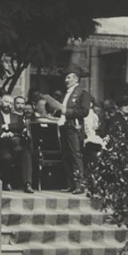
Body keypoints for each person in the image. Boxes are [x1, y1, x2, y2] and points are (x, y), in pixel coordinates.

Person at [46, 64, 91, 194]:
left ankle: (79, 184)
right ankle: (71, 184)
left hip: (74, 127)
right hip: (65, 127)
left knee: (76, 155)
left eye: (69, 77)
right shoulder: (66, 94)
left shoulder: (83, 94)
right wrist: (55, 114)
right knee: (66, 156)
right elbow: (63, 111)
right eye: (66, 77)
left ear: (76, 79)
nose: (66, 80)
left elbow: (84, 111)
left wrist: (67, 111)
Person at [0, 94, 33, 192]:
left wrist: (7, 127)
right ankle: (6, 183)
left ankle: (27, 184)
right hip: (2, 146)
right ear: (1, 102)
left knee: (26, 153)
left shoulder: (16, 116)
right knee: (6, 157)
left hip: (16, 145)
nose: (8, 105)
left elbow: (20, 125)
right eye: (6, 102)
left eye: (10, 103)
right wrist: (4, 133)